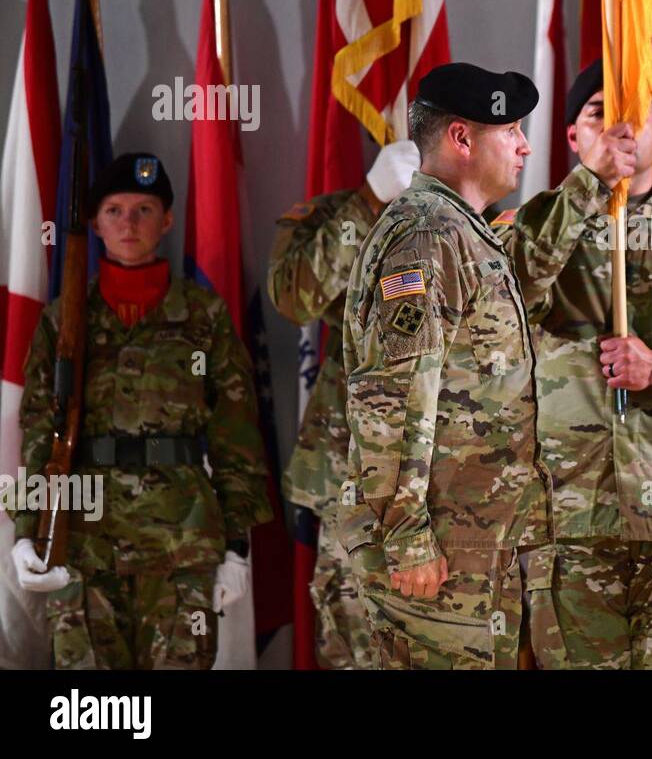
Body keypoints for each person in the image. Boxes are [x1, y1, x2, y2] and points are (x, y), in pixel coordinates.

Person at [494, 58, 652, 669]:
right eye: (598, 117)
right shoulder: (527, 226)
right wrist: (587, 186)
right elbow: (509, 303)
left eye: (634, 117)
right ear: (571, 137)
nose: (618, 131)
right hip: (573, 513)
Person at [9, 152, 271, 669]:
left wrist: (237, 544)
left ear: (167, 220)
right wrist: (24, 530)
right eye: (114, 210)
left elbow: (235, 434)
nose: (129, 223)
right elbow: (41, 428)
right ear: (95, 224)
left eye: (144, 210)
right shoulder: (65, 322)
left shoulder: (203, 316)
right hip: (81, 538)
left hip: (182, 541)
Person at [338, 63, 550, 670]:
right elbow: (392, 398)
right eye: (509, 129)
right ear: (462, 138)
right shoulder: (430, 235)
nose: (524, 145)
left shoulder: (461, 230)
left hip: (473, 542)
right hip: (440, 550)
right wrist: (407, 537)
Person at [267, 139, 420, 668]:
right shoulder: (333, 216)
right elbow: (295, 297)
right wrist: (371, 200)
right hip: (353, 476)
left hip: (459, 482)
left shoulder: (479, 217)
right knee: (354, 647)